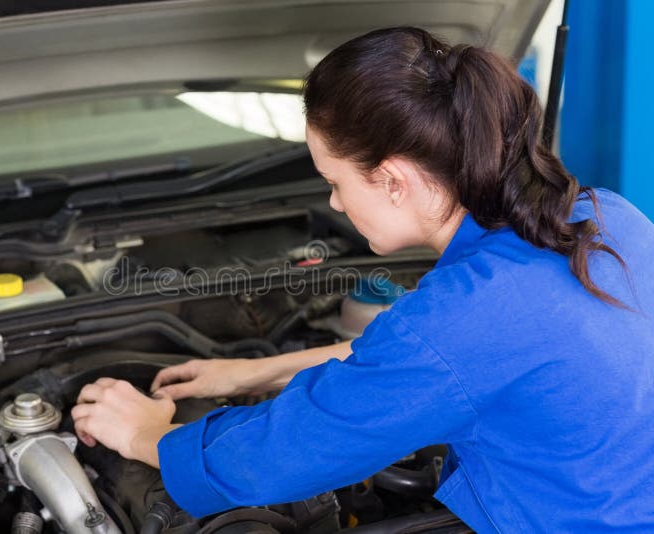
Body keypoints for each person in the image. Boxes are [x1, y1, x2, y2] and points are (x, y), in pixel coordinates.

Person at [69, 27, 654, 531]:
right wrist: (256, 370)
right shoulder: (608, 218)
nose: (334, 202)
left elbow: (288, 452)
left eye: (334, 180)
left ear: (393, 180)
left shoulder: (462, 318)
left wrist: (150, 437)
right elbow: (448, 360)